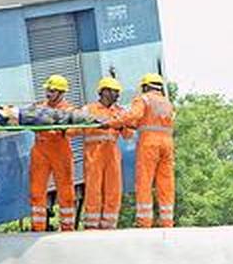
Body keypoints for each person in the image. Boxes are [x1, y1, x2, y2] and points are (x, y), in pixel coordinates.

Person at [108, 73, 176, 228]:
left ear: (145, 87)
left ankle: (144, 221)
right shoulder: (167, 103)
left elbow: (134, 115)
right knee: (166, 183)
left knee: (144, 181)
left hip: (149, 143)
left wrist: (114, 122)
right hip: (167, 144)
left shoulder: (143, 99)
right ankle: (167, 221)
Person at [28, 74, 78, 232]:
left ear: (61, 93)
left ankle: (67, 227)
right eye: (47, 90)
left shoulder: (69, 110)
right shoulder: (40, 107)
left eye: (52, 91)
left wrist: (63, 130)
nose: (48, 93)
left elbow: (76, 129)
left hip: (60, 152)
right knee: (36, 191)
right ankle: (38, 227)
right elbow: (30, 123)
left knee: (66, 191)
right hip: (40, 151)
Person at [82, 77, 132, 230]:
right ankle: (92, 224)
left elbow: (128, 135)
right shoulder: (88, 110)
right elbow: (74, 130)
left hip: (112, 153)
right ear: (104, 92)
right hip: (94, 153)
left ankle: (109, 224)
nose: (117, 95)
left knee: (113, 190)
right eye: (114, 92)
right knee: (93, 190)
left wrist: (121, 124)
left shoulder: (119, 112)